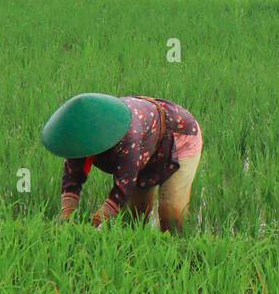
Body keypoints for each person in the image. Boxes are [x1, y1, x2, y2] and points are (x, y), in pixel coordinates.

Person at [40, 93, 202, 234]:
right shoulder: (82, 133)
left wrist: (96, 222)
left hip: (179, 136)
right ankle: (136, 255)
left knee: (170, 213)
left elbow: (124, 185)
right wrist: (68, 216)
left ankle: (175, 256)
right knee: (134, 215)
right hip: (146, 141)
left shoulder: (126, 136)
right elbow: (72, 176)